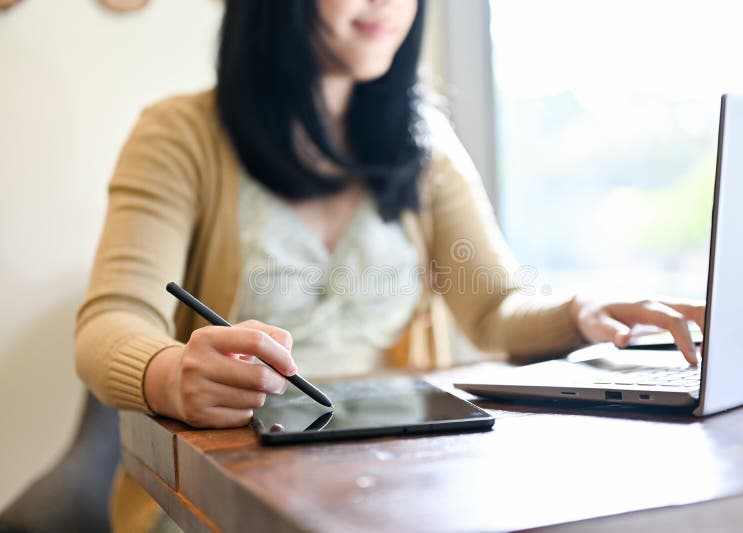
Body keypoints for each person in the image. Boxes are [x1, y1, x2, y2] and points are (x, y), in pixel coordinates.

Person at [75, 1, 705, 531]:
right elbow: (111, 319)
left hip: (383, 475)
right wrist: (168, 373)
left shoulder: (422, 140)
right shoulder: (180, 135)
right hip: (219, 494)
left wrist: (579, 312)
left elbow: (492, 308)